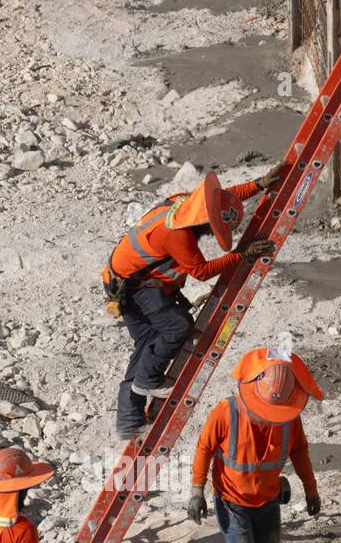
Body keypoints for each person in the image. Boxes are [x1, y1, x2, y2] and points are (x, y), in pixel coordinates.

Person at [104, 163, 291, 438]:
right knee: (177, 326)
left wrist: (258, 185)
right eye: (212, 228)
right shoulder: (177, 234)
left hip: (125, 283)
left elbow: (222, 197)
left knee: (146, 346)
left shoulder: (183, 204)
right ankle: (147, 381)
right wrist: (242, 254)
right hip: (135, 289)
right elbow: (202, 272)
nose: (210, 234)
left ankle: (129, 420)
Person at [188, 346, 323, 543]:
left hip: (267, 501)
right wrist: (197, 491)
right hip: (232, 502)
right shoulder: (227, 412)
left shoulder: (288, 418)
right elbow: (204, 448)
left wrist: (311, 488)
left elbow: (299, 450)